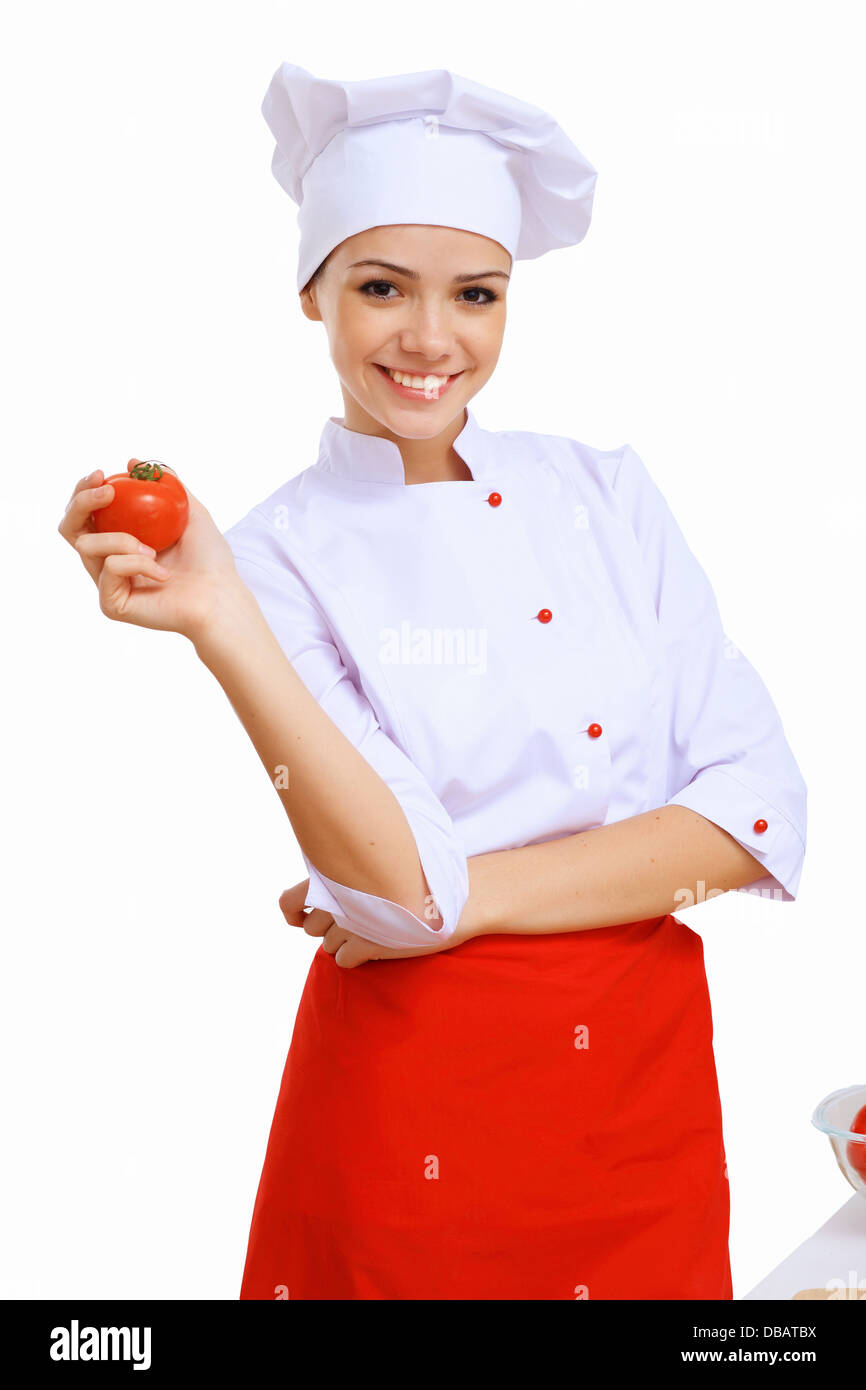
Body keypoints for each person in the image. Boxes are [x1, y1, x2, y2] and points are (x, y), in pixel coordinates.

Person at [58, 61, 807, 1301]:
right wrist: (218, 619)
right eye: (379, 288)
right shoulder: (271, 559)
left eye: (474, 293)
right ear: (313, 294)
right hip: (407, 1084)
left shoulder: (606, 493)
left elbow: (757, 815)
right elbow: (400, 900)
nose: (429, 338)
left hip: (634, 1081)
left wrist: (455, 891)